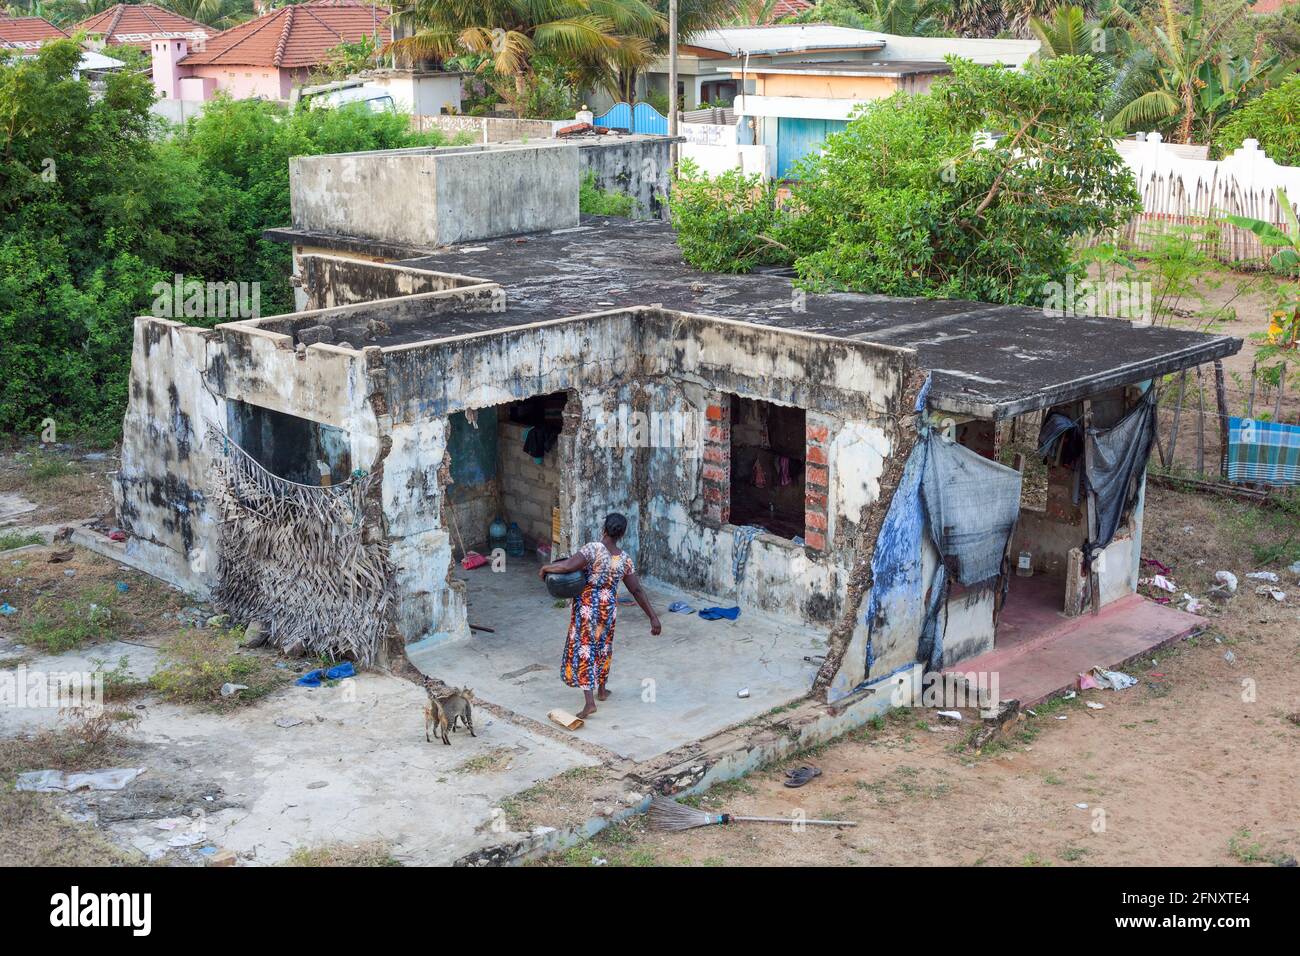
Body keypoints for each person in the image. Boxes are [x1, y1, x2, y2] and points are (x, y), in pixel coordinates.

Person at [539, 512, 661, 718]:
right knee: (603, 646)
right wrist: (653, 617)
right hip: (608, 609)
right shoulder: (624, 559)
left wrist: (545, 568)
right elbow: (636, 591)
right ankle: (602, 690)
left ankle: (589, 703)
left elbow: (568, 566)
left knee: (585, 649)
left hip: (588, 608)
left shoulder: (593, 549)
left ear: (604, 529)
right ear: (621, 534)